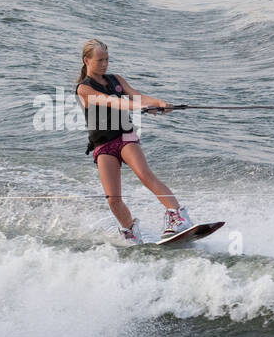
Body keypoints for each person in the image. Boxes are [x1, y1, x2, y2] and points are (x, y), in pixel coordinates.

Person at [74, 39, 192, 243]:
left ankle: (177, 215)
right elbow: (110, 101)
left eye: (107, 59)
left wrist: (159, 103)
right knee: (113, 199)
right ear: (86, 60)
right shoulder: (83, 89)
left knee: (144, 175)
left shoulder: (116, 80)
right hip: (103, 146)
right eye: (100, 60)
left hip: (125, 136)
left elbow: (136, 96)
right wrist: (137, 107)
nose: (104, 64)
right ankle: (129, 230)